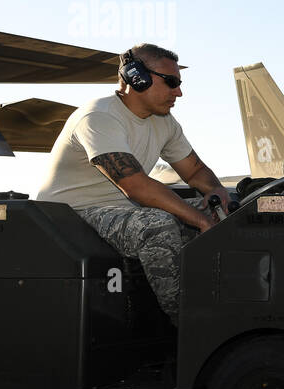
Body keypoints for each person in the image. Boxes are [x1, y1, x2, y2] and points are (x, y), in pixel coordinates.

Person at [36, 44, 228, 323]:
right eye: (171, 83)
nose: (179, 92)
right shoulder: (99, 117)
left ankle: (228, 306)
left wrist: (216, 193)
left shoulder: (165, 123)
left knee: (230, 215)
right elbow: (135, 185)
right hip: (70, 215)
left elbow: (195, 170)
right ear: (137, 77)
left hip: (120, 210)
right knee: (156, 225)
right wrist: (200, 220)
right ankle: (188, 324)